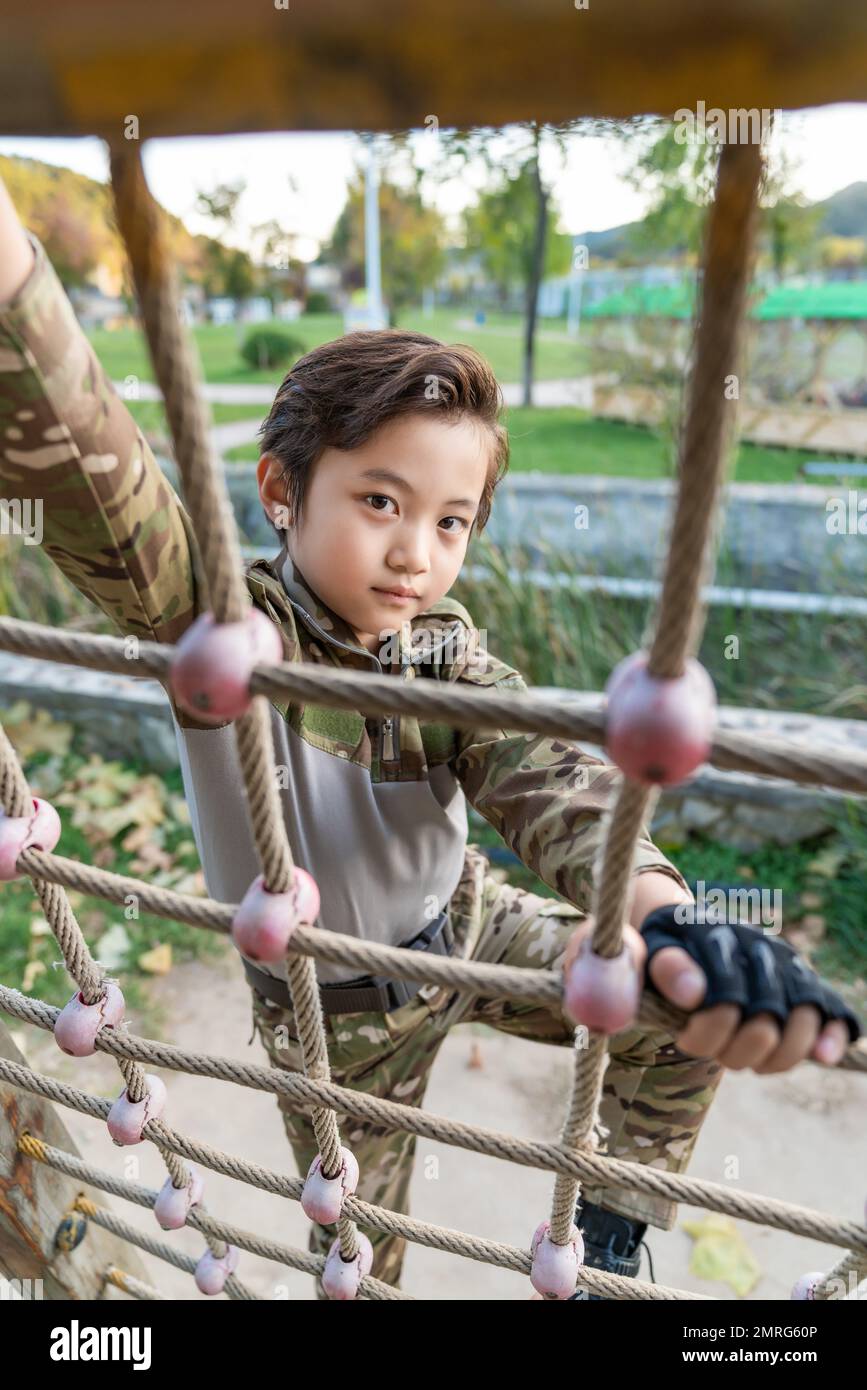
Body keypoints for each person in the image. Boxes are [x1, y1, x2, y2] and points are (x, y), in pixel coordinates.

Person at [0, 179, 858, 1299]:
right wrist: (17, 289)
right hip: (332, 1017)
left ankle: (606, 1229)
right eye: (380, 502)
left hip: (463, 929)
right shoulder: (224, 630)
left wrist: (670, 909)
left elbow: (546, 776)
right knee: (361, 1249)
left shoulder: (446, 653)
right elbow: (100, 486)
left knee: (671, 1002)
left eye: (451, 521)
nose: (417, 552)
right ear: (280, 491)